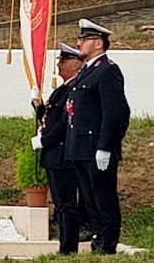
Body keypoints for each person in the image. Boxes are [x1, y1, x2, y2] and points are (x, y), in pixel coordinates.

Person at [64, 19, 130, 255]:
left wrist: (105, 146)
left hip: (96, 147)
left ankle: (107, 244)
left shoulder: (108, 70)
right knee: (90, 199)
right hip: (80, 147)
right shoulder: (87, 71)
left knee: (104, 198)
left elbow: (114, 113)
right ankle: (98, 239)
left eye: (84, 39)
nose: (78, 43)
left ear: (99, 43)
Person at [31, 43, 84, 254]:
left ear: (77, 64)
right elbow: (48, 118)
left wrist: (46, 140)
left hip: (62, 153)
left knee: (67, 203)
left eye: (64, 61)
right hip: (53, 155)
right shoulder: (61, 90)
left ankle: (69, 248)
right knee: (60, 204)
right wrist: (38, 105)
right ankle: (65, 246)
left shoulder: (75, 89)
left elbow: (64, 122)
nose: (59, 64)